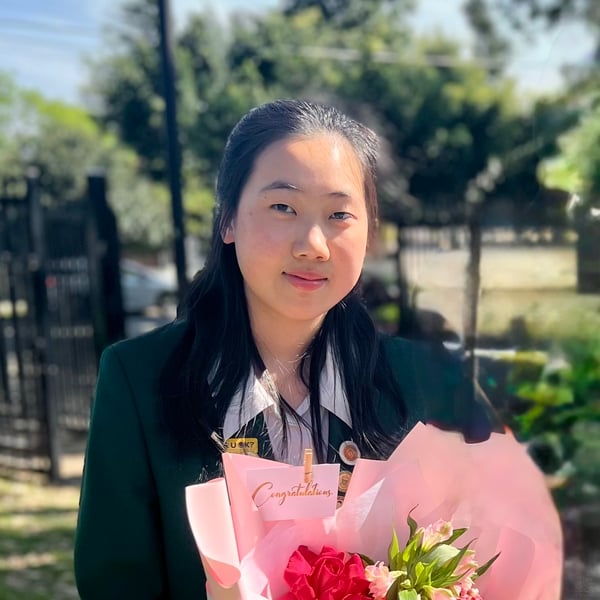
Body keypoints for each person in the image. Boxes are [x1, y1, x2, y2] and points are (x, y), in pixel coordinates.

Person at [74, 99, 498, 599]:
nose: (313, 244)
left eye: (339, 214)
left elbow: (491, 546)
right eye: (283, 207)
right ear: (228, 221)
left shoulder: (431, 380)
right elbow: (115, 583)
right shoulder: (137, 379)